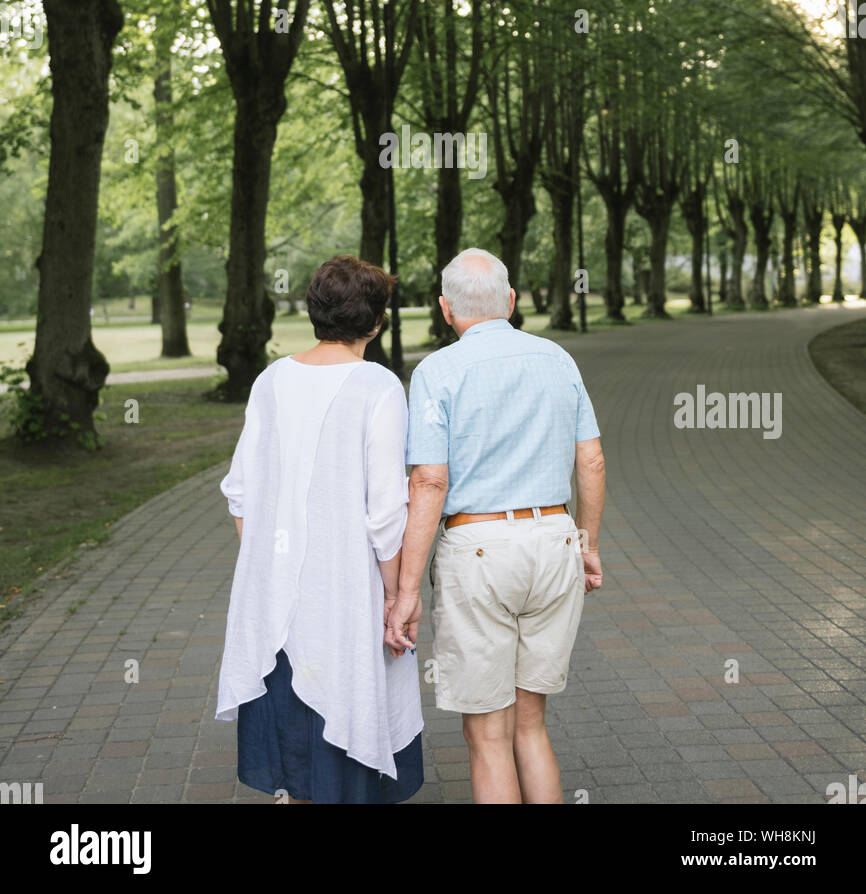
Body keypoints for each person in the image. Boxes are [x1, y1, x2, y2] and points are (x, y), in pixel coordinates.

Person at [385, 247, 605, 804]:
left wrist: (406, 589)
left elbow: (430, 482)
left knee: (487, 734)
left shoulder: (436, 372)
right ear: (510, 301)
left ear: (445, 309)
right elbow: (593, 460)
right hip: (555, 541)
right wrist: (589, 544)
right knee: (530, 723)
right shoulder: (558, 359)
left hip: (479, 549)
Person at [216, 255, 423, 804]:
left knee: (293, 764)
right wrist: (399, 594)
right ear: (376, 322)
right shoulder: (379, 386)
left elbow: (240, 493)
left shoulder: (271, 380)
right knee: (340, 757)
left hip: (274, 605)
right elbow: (386, 513)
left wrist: (272, 564)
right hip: (344, 601)